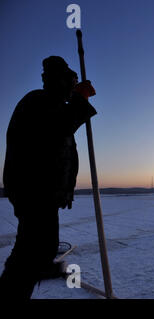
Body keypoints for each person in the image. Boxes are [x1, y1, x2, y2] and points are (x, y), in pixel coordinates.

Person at [0, 56, 97, 299]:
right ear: (59, 81)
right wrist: (80, 99)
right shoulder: (39, 101)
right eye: (71, 83)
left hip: (41, 192)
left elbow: (60, 145)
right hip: (33, 191)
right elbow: (60, 125)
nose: (73, 88)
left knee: (39, 249)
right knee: (31, 251)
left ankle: (28, 276)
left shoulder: (47, 102)